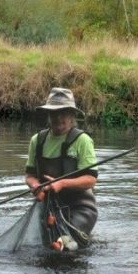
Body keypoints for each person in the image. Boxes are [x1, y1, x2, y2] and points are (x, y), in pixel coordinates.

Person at [24, 88, 98, 251]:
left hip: (81, 207)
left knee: (62, 246)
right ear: (48, 115)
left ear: (72, 115)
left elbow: (91, 179)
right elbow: (29, 175)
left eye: (63, 112)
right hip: (49, 206)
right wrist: (36, 186)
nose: (58, 117)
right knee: (48, 246)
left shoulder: (82, 141)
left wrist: (62, 183)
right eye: (53, 113)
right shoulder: (37, 141)